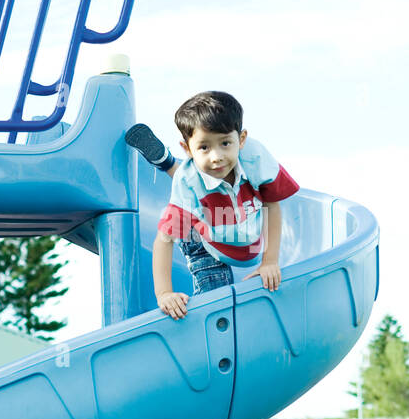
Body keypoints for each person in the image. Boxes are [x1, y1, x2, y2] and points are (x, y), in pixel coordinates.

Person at [125, 90, 299, 319]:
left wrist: (270, 261)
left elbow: (272, 204)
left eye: (225, 143)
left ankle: (168, 162)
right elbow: (164, 239)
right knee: (216, 302)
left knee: (205, 175)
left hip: (244, 230)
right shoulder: (187, 184)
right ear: (187, 148)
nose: (216, 155)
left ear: (242, 139)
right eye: (204, 147)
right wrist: (165, 293)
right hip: (205, 241)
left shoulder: (256, 158)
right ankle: (172, 163)